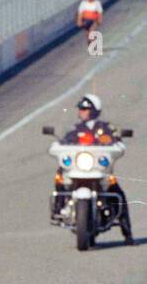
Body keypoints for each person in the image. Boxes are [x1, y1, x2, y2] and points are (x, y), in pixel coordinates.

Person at [52, 93, 132, 242]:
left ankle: (127, 231)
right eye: (81, 108)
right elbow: (62, 143)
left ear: (94, 111)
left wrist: (116, 142)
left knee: (118, 193)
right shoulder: (74, 130)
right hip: (78, 171)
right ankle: (59, 208)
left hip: (99, 173)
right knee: (60, 176)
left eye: (85, 108)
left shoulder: (106, 128)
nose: (81, 111)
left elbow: (117, 142)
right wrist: (58, 144)